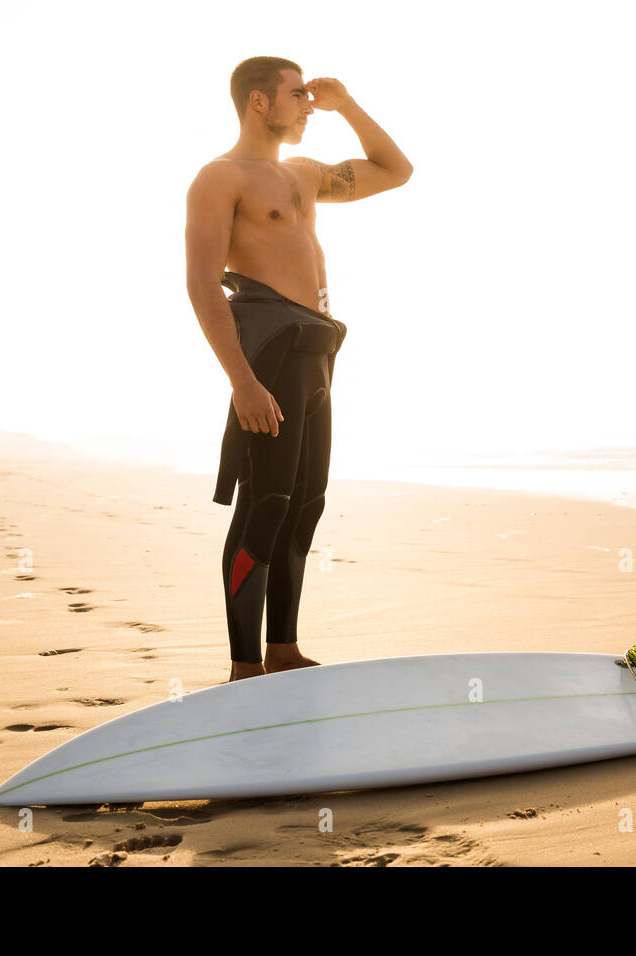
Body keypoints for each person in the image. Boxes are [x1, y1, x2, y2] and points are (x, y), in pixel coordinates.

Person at [184, 57, 412, 682]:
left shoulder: (306, 176)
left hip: (318, 356)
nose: (308, 105)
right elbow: (203, 286)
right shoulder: (220, 178)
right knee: (264, 504)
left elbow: (397, 171)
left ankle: (282, 650)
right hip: (270, 357)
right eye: (297, 95)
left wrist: (347, 105)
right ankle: (243, 665)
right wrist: (242, 381)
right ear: (260, 102)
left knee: (304, 506)